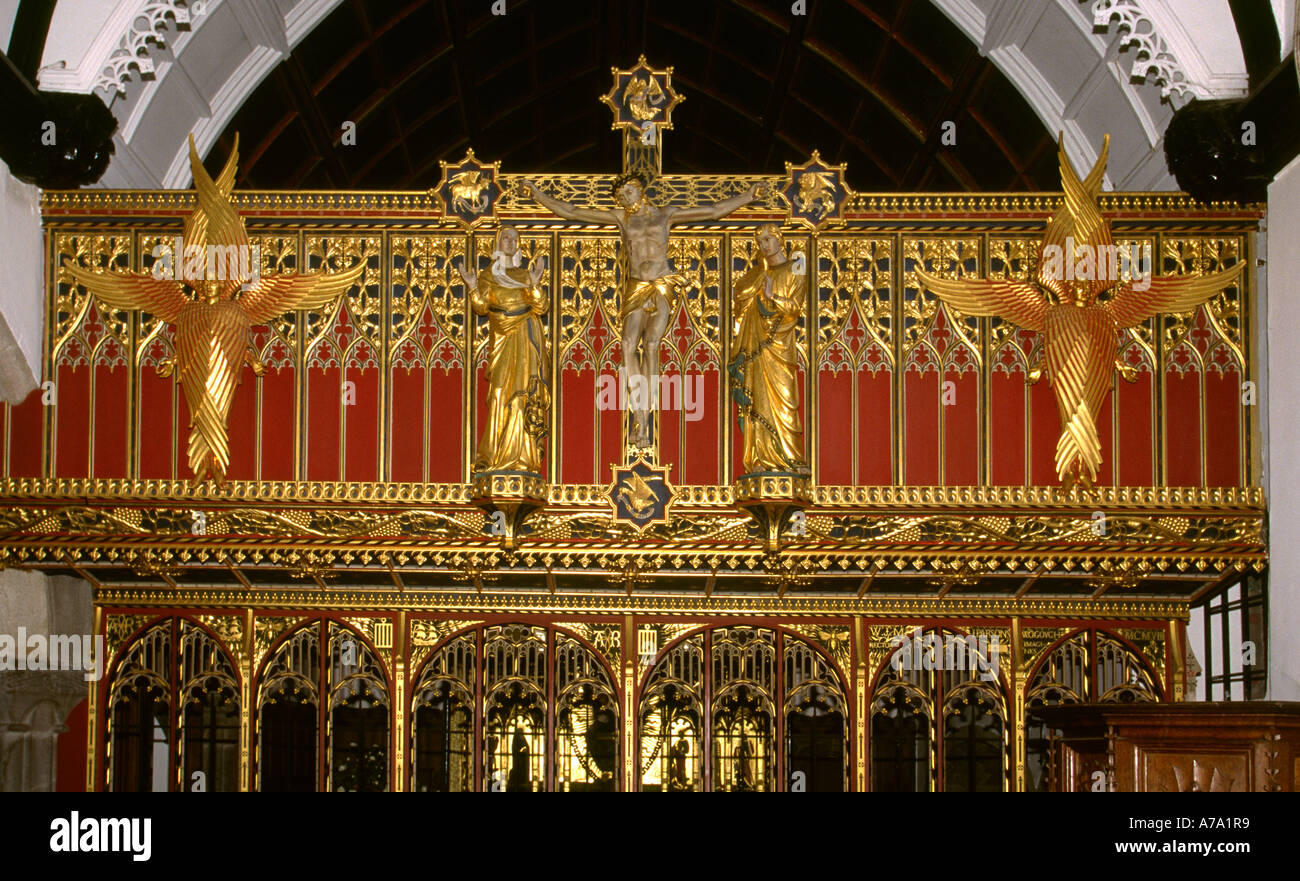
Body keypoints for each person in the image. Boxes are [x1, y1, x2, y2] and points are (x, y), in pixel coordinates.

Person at [520, 174, 762, 448]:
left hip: (660, 283)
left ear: (639, 190)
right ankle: (640, 415)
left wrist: (748, 197)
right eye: (620, 197)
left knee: (651, 345)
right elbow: (573, 211)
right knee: (626, 345)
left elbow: (713, 211)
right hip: (635, 286)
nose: (624, 200)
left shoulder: (666, 215)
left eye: (627, 193)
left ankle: (644, 421)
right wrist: (538, 196)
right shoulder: (623, 219)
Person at [457, 225, 550, 474]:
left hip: (525, 336)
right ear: (497, 243)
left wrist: (534, 282)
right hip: (501, 338)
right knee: (498, 394)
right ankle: (492, 457)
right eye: (505, 237)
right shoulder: (489, 275)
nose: (510, 241)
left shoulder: (524, 275)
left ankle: (524, 459)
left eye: (514, 238)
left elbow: (541, 307)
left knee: (522, 397)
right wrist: (473, 286)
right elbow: (480, 307)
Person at [729, 224, 809, 475]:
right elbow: (739, 297)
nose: (764, 245)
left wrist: (773, 297)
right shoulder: (755, 275)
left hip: (780, 348)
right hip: (755, 348)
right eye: (759, 241)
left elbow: (794, 308)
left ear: (779, 239)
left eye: (768, 239)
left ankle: (791, 458)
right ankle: (760, 458)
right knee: (757, 404)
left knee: (784, 401)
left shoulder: (796, 266)